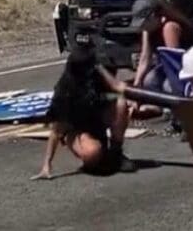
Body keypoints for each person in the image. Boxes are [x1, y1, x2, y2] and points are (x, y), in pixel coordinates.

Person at [33, 44, 134, 179]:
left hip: (98, 121)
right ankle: (95, 159)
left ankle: (116, 153)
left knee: (120, 103)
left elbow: (117, 86)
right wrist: (47, 165)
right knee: (92, 153)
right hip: (78, 130)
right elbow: (56, 131)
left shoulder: (97, 75)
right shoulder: (66, 91)